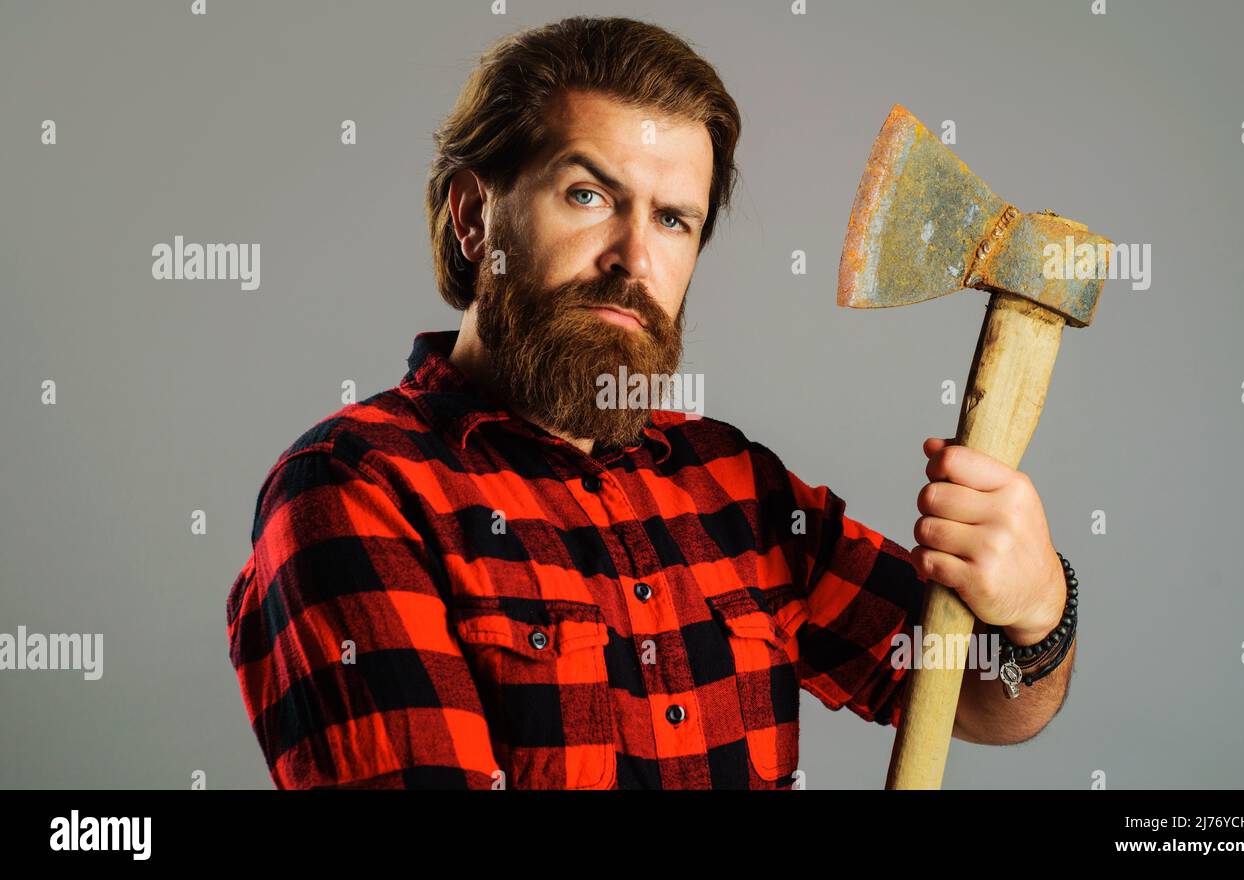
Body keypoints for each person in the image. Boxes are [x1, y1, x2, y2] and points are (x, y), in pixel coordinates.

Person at [226, 15, 1073, 790]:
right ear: (476, 216)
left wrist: (1039, 611)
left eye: (674, 219)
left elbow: (980, 698)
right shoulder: (355, 489)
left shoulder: (734, 485)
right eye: (588, 196)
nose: (633, 258)